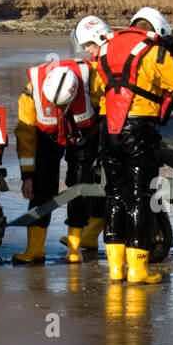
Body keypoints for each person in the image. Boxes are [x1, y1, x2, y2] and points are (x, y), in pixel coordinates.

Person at [91, 7, 173, 284]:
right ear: (158, 31)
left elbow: (97, 86)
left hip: (107, 126)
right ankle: (137, 269)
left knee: (114, 193)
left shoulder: (104, 48)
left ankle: (115, 269)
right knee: (140, 196)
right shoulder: (156, 52)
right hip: (139, 126)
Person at [12, 26, 105, 263]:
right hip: (48, 137)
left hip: (83, 137)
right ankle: (35, 249)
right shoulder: (31, 92)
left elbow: (109, 104)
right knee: (42, 190)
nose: (62, 111)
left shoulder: (91, 80)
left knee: (80, 187)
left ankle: (74, 248)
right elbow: (25, 134)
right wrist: (27, 175)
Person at [70, 15, 113, 252]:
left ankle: (91, 234)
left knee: (106, 181)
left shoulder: (105, 63)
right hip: (104, 126)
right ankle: (89, 234)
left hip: (111, 126)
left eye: (88, 45)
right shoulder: (103, 61)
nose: (87, 51)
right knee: (100, 178)